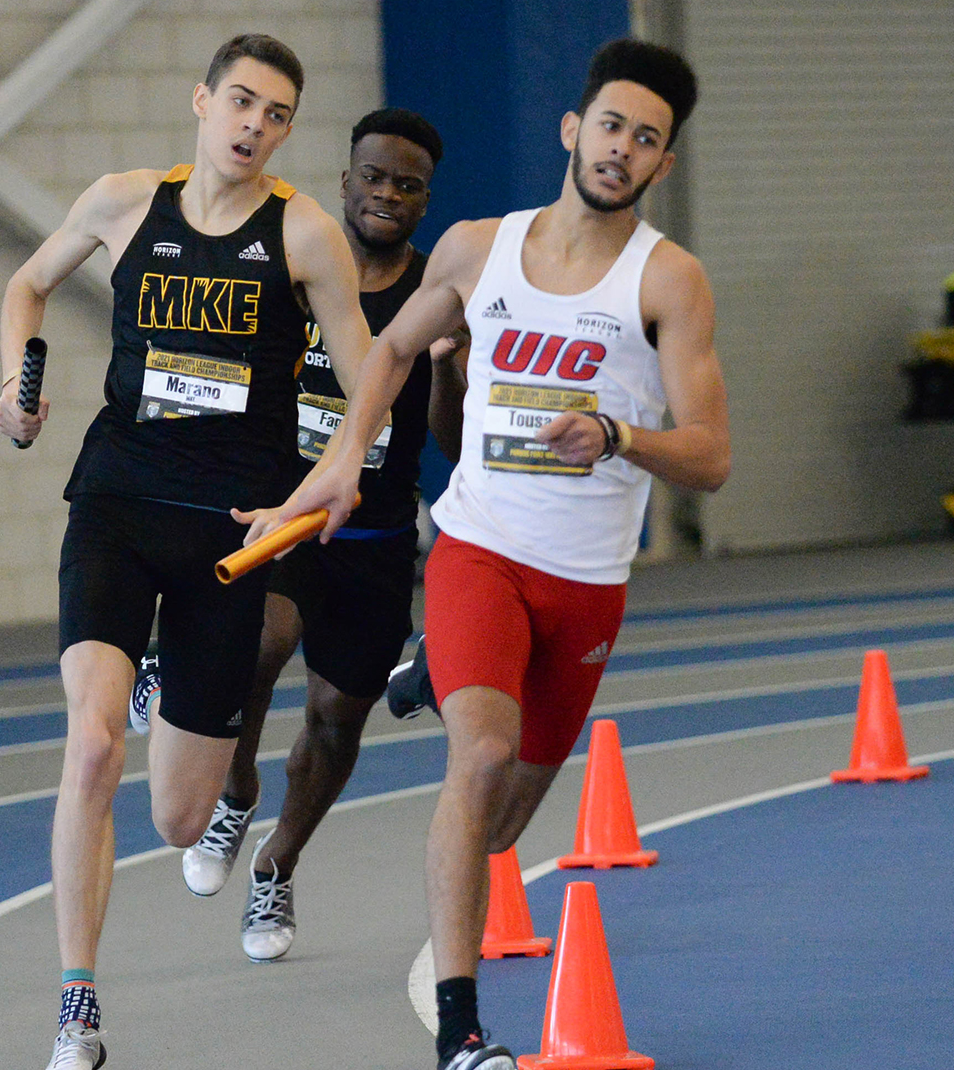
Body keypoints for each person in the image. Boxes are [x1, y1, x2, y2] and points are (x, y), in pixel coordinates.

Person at [240, 38, 729, 1070]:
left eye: (646, 139)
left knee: (503, 827)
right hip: (479, 550)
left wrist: (622, 434)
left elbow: (713, 455)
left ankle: (428, 670)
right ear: (572, 129)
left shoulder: (669, 282)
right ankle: (461, 1031)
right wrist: (337, 466)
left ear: (662, 163)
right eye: (610, 126)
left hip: (588, 585)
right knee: (482, 756)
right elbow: (391, 348)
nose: (621, 149)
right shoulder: (476, 249)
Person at [0, 34, 371, 1070]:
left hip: (228, 541)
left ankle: (219, 778)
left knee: (174, 816)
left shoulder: (303, 236)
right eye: (241, 101)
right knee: (93, 744)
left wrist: (326, 477)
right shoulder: (122, 202)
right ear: (201, 100)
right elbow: (28, 283)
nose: (255, 124)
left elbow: (368, 375)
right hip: (115, 501)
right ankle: (77, 1004)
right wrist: (22, 381)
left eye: (277, 113)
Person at [167, 107, 469, 965]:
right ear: (345, 181)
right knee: (259, 647)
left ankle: (277, 860)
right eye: (373, 176)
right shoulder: (296, 277)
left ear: (424, 200)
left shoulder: (432, 301)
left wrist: (448, 364)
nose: (386, 194)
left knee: (337, 720)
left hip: (373, 540)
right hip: (286, 516)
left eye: (407, 185)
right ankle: (236, 789)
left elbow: (447, 439)